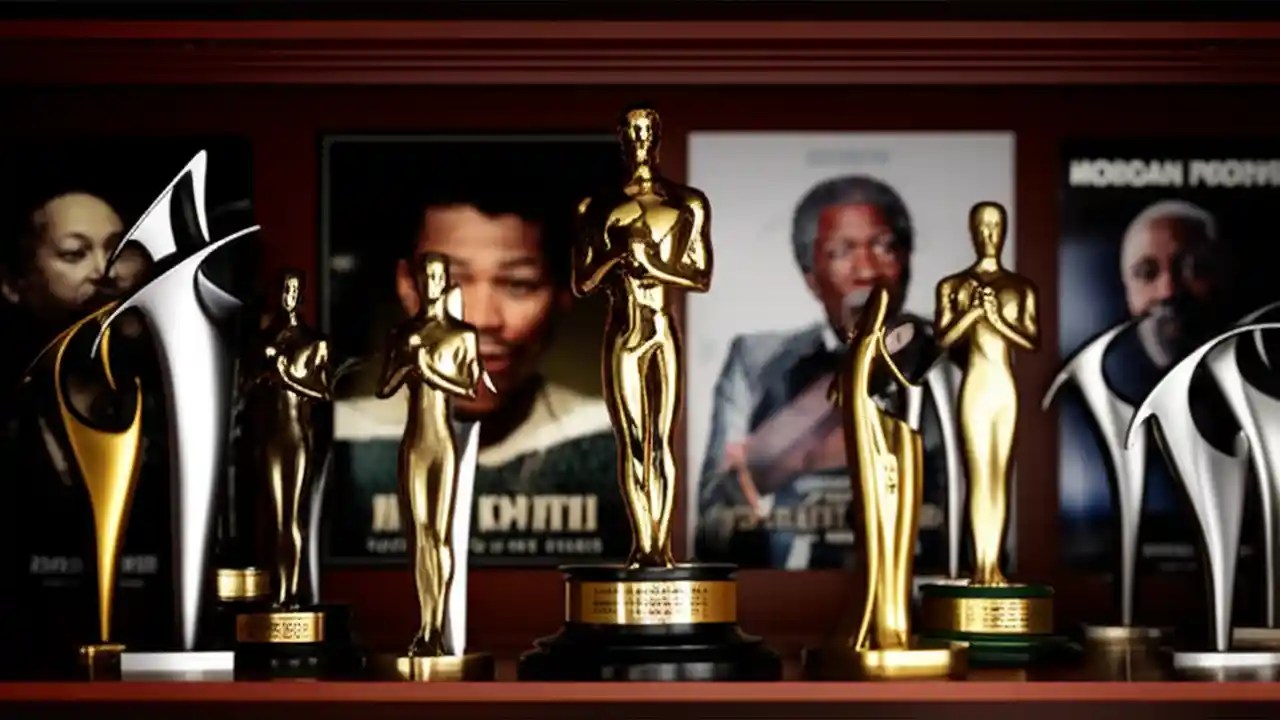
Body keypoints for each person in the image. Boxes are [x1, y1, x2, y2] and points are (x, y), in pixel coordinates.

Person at [332, 181, 626, 564]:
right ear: (407, 285)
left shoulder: (609, 437)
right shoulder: (340, 438)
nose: (482, 319)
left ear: (563, 291)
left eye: (519, 285)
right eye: (451, 282)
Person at [696, 175, 944, 570]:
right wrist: (768, 462)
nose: (867, 270)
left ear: (907, 261)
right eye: (842, 251)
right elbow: (710, 523)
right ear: (810, 276)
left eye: (884, 246)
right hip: (783, 587)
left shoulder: (949, 356)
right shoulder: (756, 360)